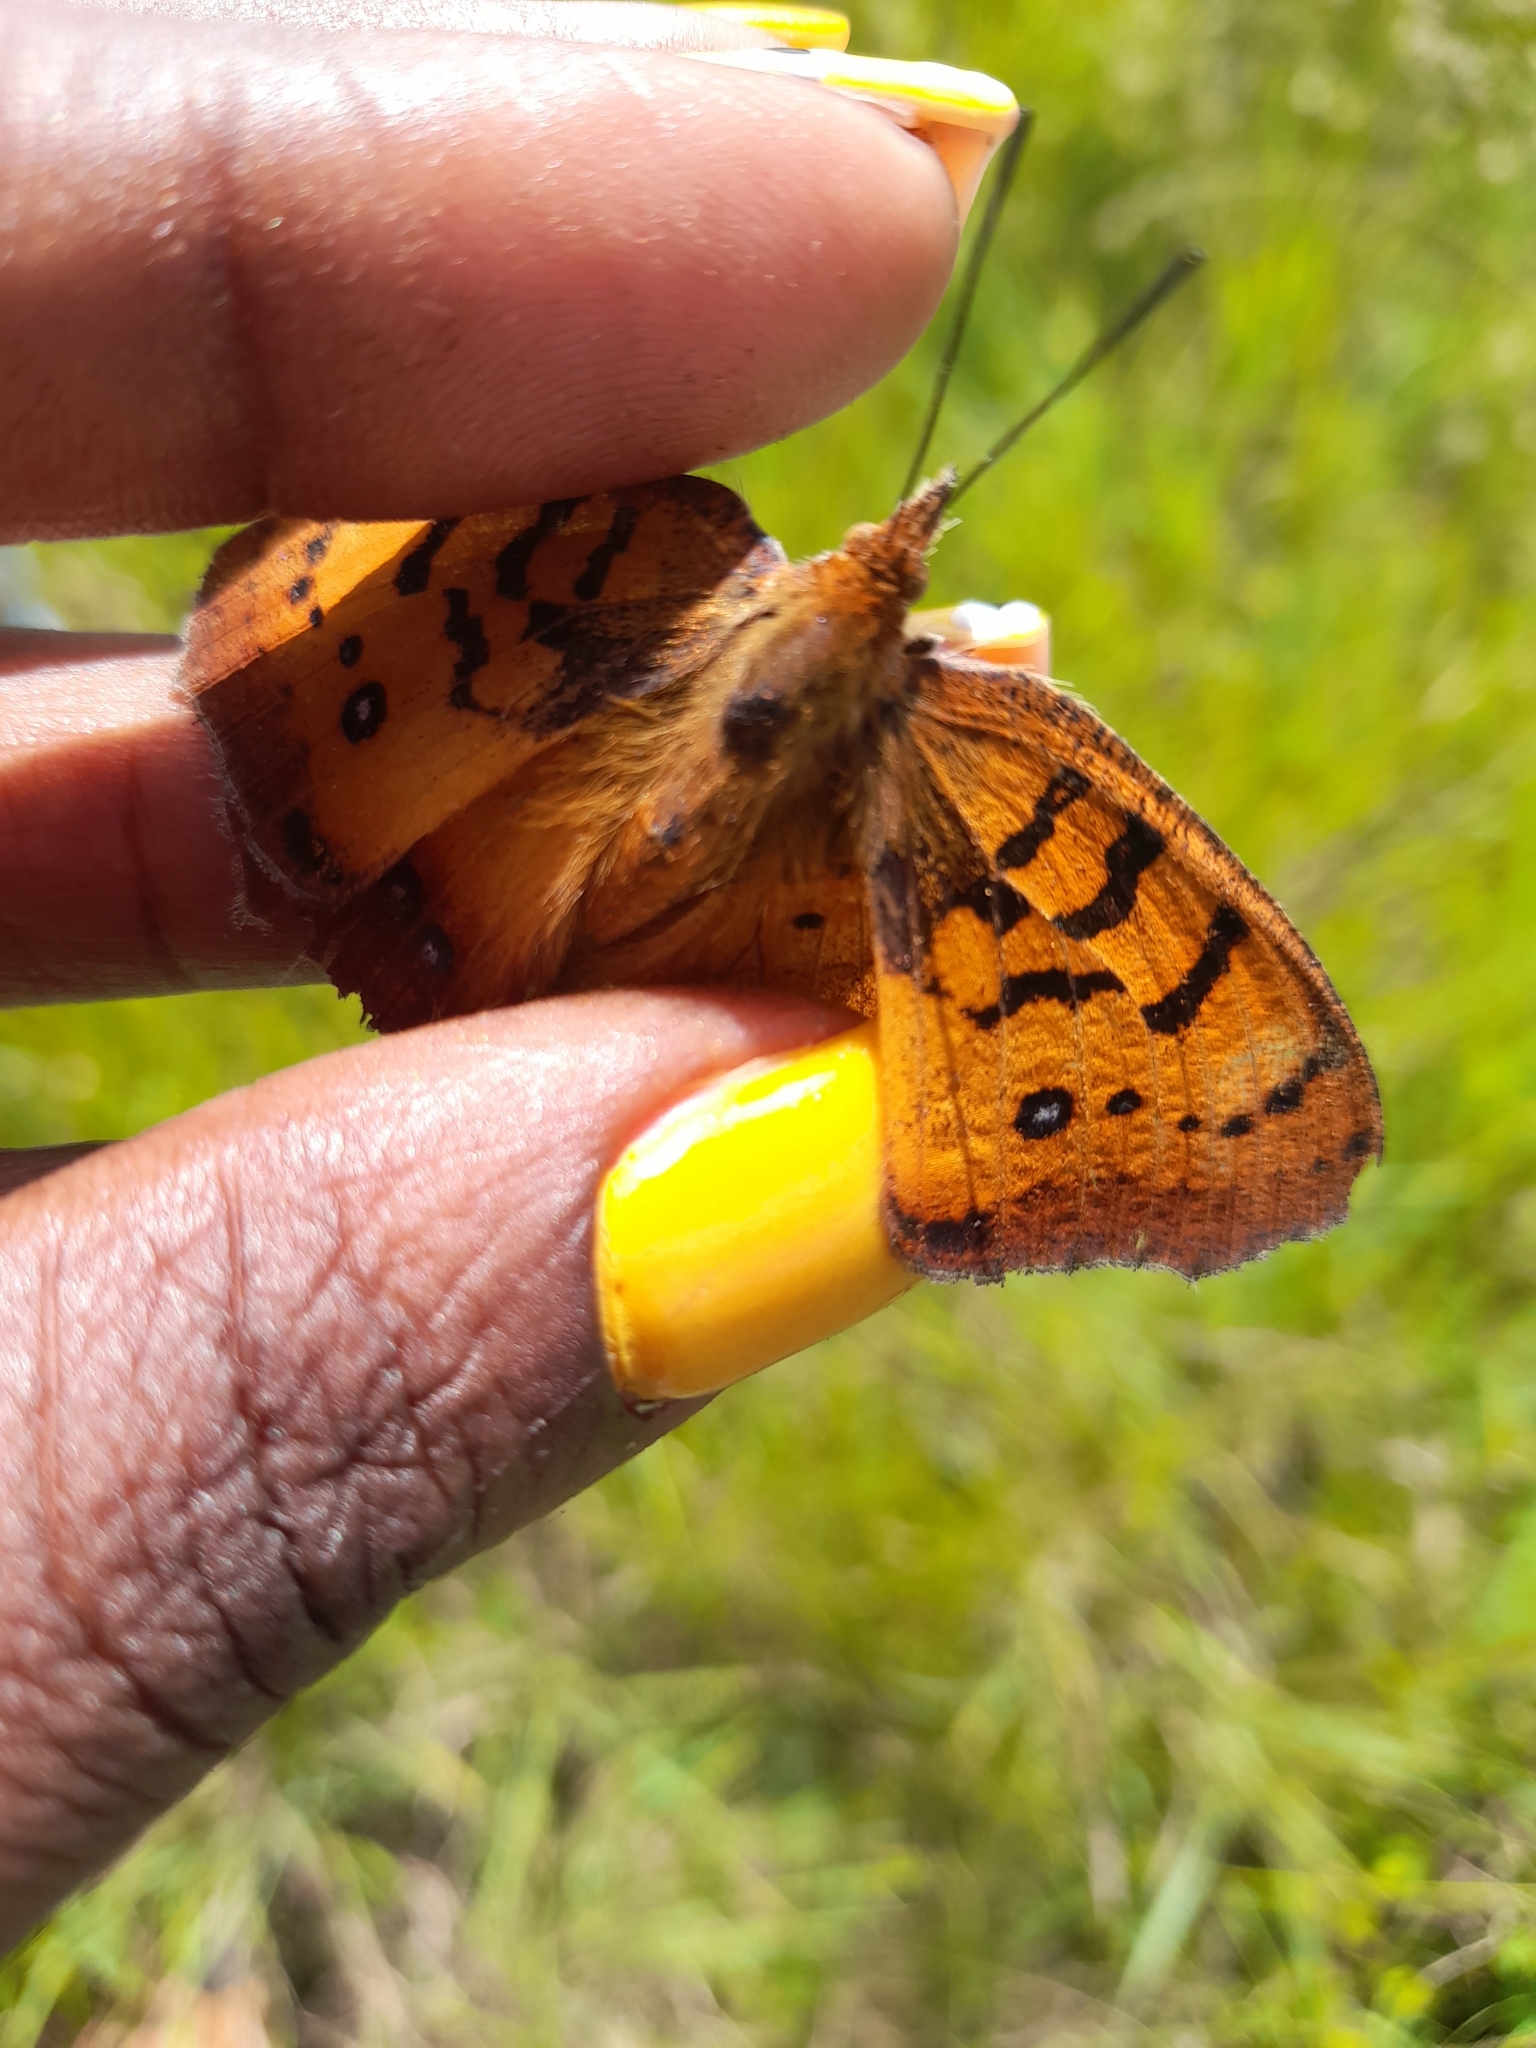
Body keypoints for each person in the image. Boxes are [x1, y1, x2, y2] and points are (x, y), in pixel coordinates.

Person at [0, 0, 958, 1948]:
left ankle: (487, 938)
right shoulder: (724, 585)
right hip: (650, 923)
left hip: (482, 843)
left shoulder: (661, 552)